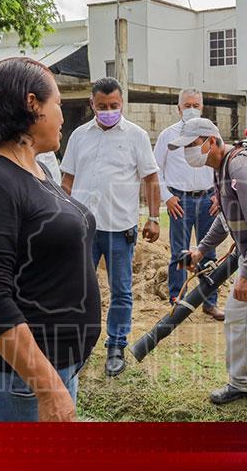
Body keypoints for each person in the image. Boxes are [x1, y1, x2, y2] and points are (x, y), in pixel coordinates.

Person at [0, 57, 101, 422]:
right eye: (58, 105)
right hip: (25, 381)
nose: (63, 116)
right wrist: (48, 388)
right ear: (32, 104)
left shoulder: (37, 169)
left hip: (56, 365)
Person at [168, 117, 247, 404]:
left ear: (211, 141)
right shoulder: (222, 169)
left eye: (192, 145)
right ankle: (244, 381)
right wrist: (201, 250)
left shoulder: (239, 165)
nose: (188, 153)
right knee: (238, 318)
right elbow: (228, 218)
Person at [61, 77, 162, 377]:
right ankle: (76, 345)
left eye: (114, 106)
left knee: (121, 291)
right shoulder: (79, 136)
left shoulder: (137, 136)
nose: (108, 111)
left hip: (120, 228)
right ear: (92, 104)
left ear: (122, 104)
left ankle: (116, 345)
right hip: (82, 229)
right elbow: (67, 181)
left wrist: (154, 218)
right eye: (102, 106)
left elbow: (151, 179)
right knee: (77, 288)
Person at [153, 89, 223, 321]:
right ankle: (178, 300)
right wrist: (167, 197)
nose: (192, 108)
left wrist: (219, 195)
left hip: (208, 200)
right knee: (179, 251)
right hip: (179, 200)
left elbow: (220, 163)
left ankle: (210, 301)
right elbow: (156, 169)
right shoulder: (168, 135)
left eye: (196, 104)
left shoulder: (212, 132)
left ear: (202, 107)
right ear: (179, 108)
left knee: (209, 251)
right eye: (187, 105)